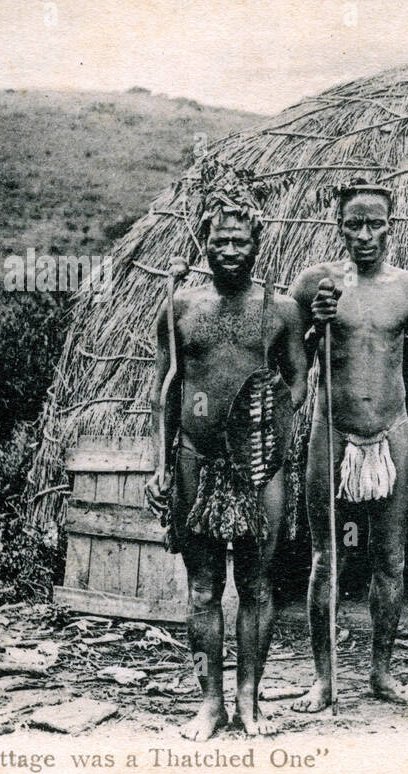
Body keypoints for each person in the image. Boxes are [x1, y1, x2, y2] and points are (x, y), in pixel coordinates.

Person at [145, 160, 307, 740]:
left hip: (260, 464)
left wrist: (263, 429)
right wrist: (162, 462)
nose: (232, 249)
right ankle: (209, 701)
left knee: (259, 585)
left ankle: (249, 698)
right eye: (221, 239)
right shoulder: (181, 307)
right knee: (204, 586)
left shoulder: (281, 310)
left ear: (258, 243)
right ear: (204, 242)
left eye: (242, 239)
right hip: (195, 460)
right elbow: (165, 389)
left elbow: (296, 380)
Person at [288, 180, 408, 712]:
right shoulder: (313, 286)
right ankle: (324, 679)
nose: (365, 236)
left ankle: (381, 672)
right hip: (332, 429)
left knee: (390, 559)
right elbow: (294, 369)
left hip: (393, 430)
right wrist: (312, 330)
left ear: (391, 225)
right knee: (328, 558)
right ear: (338, 226)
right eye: (353, 224)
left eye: (375, 224)